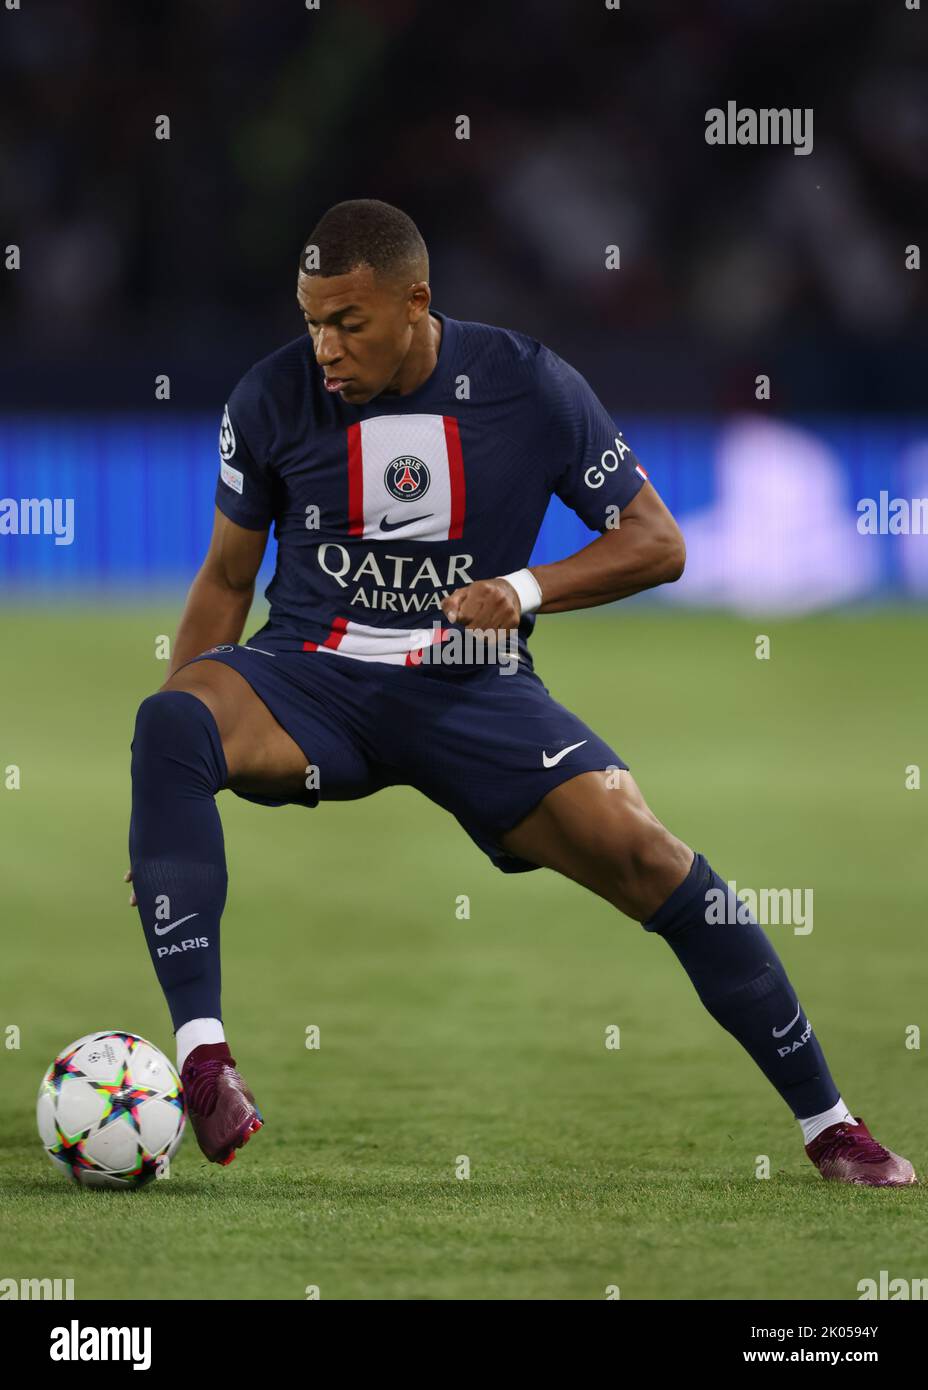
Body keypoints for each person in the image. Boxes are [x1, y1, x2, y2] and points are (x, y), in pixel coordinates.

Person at [126, 199, 914, 1186]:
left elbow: (657, 541)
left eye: (348, 323)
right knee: (169, 723)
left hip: (471, 688)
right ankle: (204, 1060)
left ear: (416, 302)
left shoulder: (528, 385)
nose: (324, 347)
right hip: (310, 681)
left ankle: (830, 1123)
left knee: (651, 857)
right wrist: (161, 802)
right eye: (311, 321)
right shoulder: (271, 397)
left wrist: (524, 588)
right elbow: (228, 581)